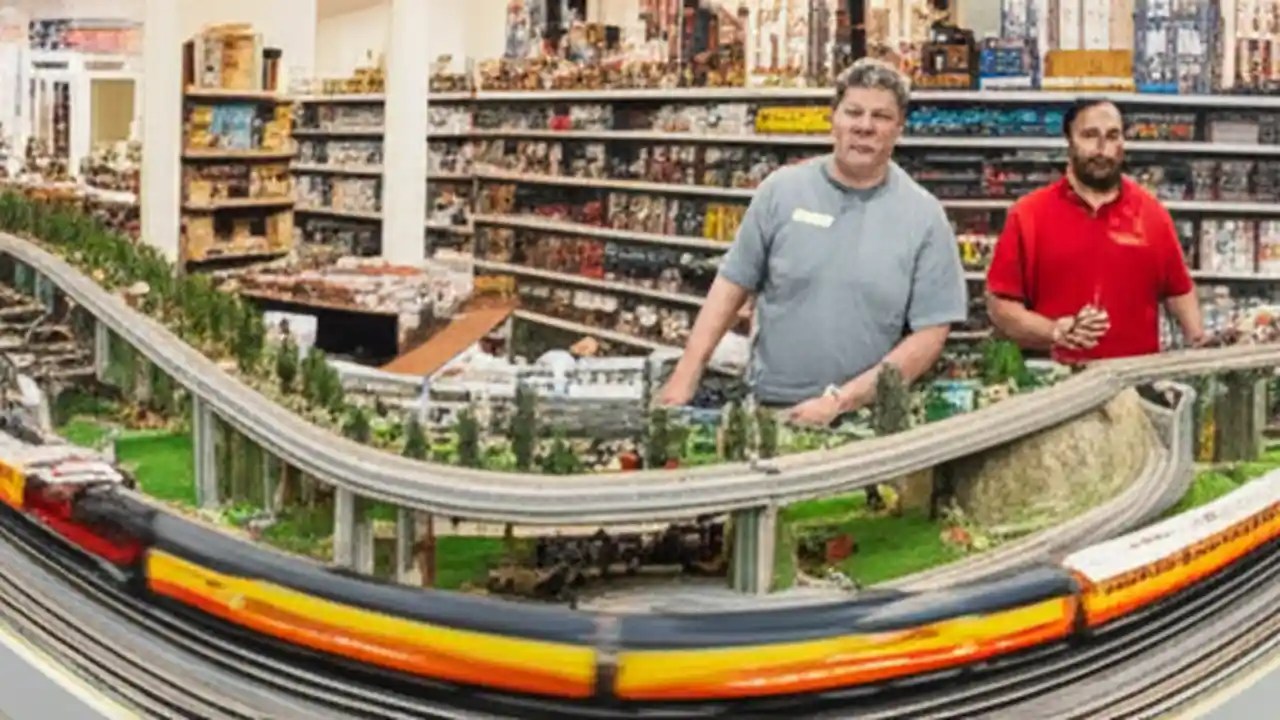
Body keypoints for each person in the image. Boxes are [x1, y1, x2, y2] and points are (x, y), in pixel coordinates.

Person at [656, 58, 968, 426]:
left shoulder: (924, 216)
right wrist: (686, 374)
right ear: (833, 118)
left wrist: (841, 400)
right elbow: (731, 284)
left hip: (866, 418)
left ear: (899, 127)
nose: (865, 126)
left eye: (881, 116)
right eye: (853, 112)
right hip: (771, 408)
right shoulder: (781, 191)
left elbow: (931, 334)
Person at [985, 98, 1205, 362]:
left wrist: (1198, 341)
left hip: (1135, 385)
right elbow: (1001, 306)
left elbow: (1178, 290)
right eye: (1090, 136)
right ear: (1069, 141)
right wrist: (1053, 331)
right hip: (1055, 385)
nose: (1102, 149)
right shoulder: (1028, 214)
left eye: (1112, 136)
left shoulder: (1152, 214)